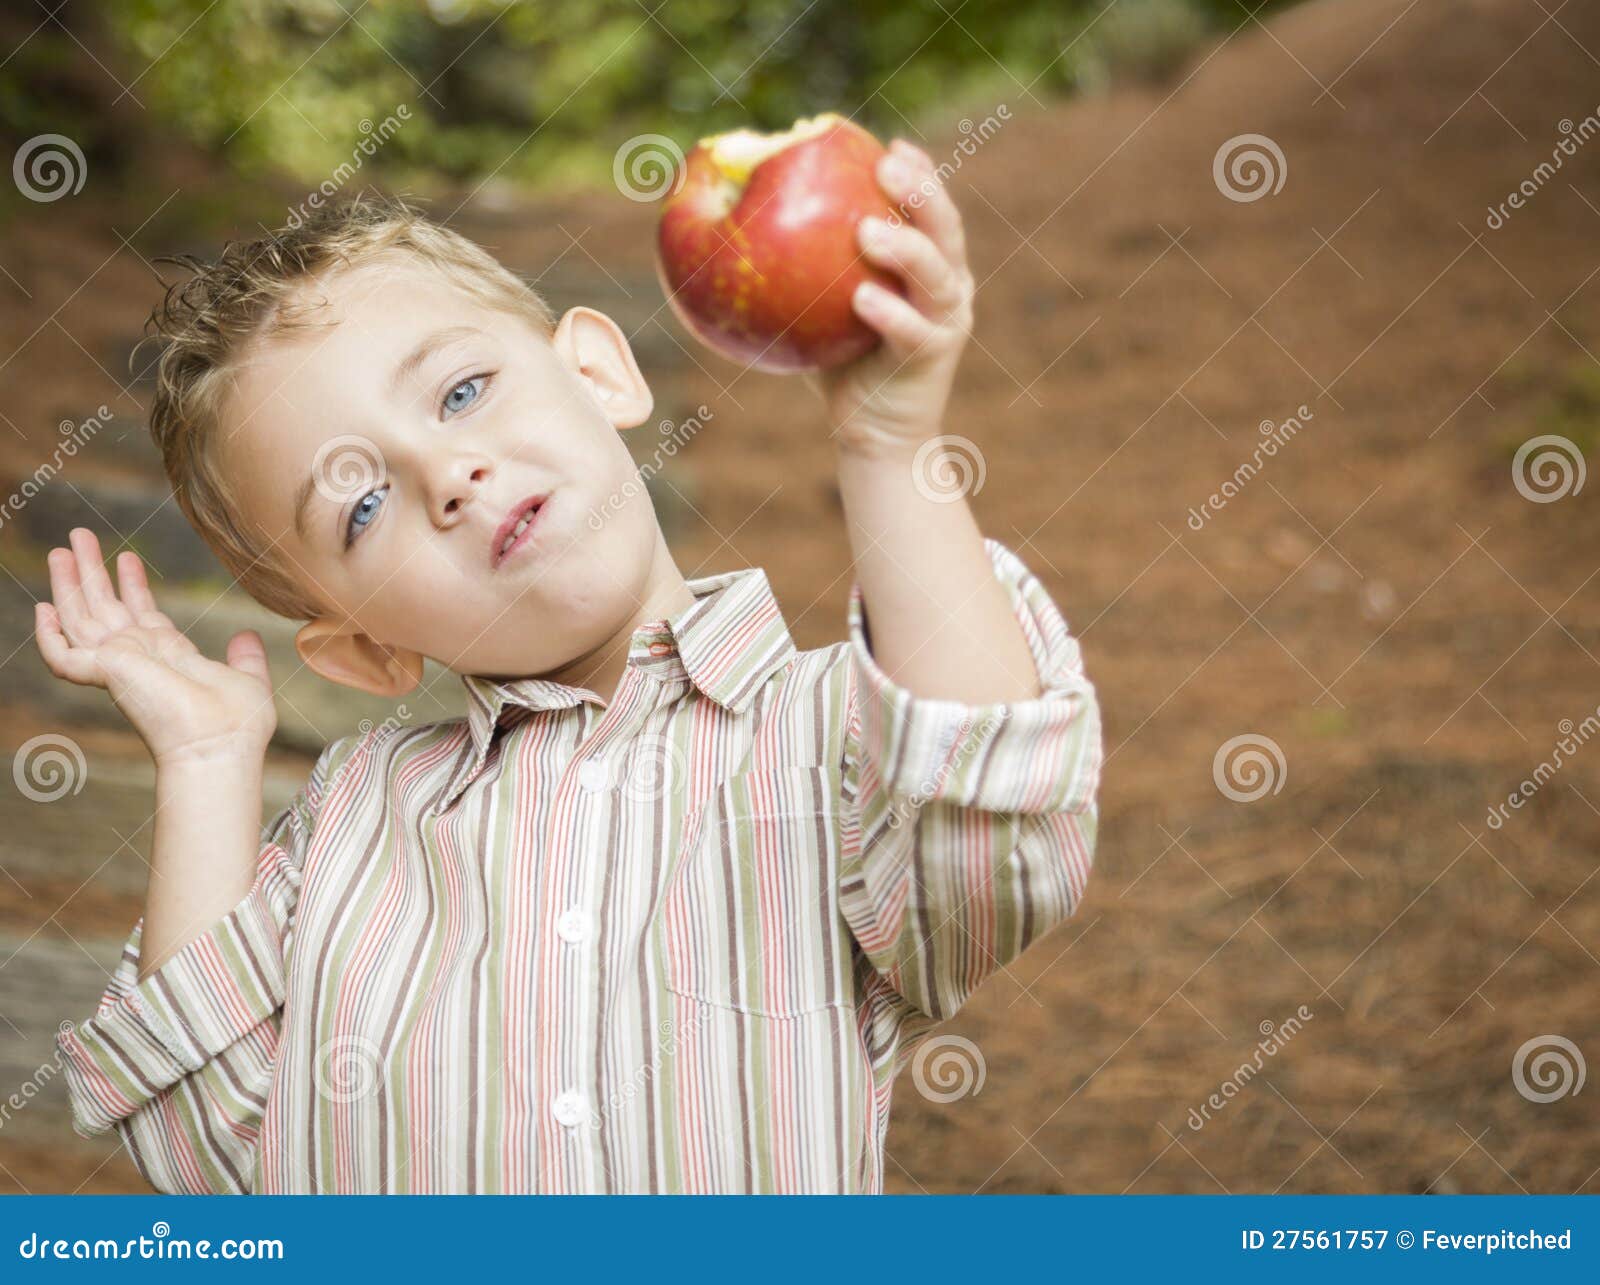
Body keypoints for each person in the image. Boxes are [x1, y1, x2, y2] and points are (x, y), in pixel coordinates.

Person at [38, 141, 1101, 1193]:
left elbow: (991, 852)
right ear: (365, 647)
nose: (448, 473)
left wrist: (887, 442)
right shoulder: (349, 823)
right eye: (361, 507)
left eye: (459, 394)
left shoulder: (828, 738)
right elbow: (204, 1147)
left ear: (597, 372)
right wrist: (209, 761)